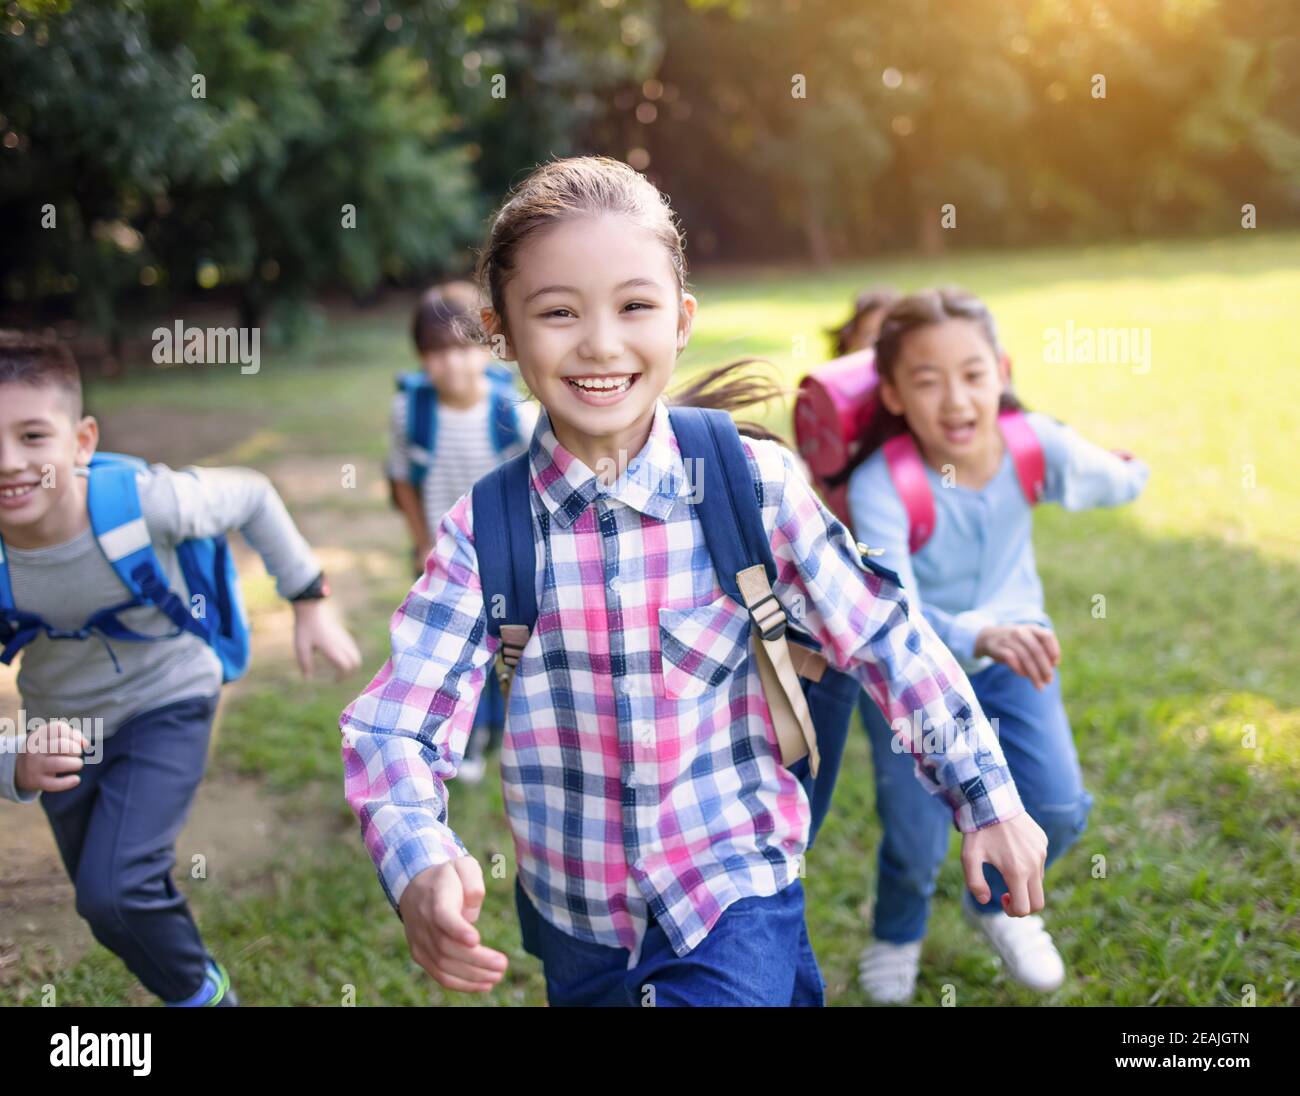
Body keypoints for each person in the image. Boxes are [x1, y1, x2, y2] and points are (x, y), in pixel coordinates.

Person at [339, 156, 1047, 1008]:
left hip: (732, 888)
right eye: (558, 312)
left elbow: (885, 635)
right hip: (578, 922)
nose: (600, 342)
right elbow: (392, 729)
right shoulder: (484, 533)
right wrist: (417, 855)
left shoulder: (753, 484)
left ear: (681, 319)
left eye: (634, 306)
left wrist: (985, 794)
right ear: (501, 334)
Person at [0, 331, 362, 1007]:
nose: (9, 463)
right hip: (61, 731)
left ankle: (205, 997)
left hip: (168, 697)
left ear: (80, 443)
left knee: (115, 890)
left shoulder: (144, 502)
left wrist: (309, 598)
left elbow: (252, 494)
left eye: (31, 437)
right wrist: (13, 760)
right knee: (102, 897)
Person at [844, 288, 1149, 1002]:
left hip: (1016, 667)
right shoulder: (881, 482)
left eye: (974, 374)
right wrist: (977, 632)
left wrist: (1132, 469)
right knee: (915, 841)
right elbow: (895, 613)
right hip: (914, 677)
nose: (956, 399)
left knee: (1060, 810)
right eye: (926, 380)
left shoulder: (1033, 443)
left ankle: (994, 909)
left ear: (1001, 372)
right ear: (891, 392)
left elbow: (1116, 477)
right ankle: (896, 933)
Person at [386, 281, 538, 780]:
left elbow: (536, 479)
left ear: (486, 346)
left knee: (500, 643)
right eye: (434, 353)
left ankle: (493, 728)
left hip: (503, 547)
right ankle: (459, 739)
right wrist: (420, 539)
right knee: (447, 650)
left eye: (460, 348)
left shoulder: (511, 412)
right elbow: (402, 478)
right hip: (442, 551)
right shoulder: (410, 411)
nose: (449, 364)